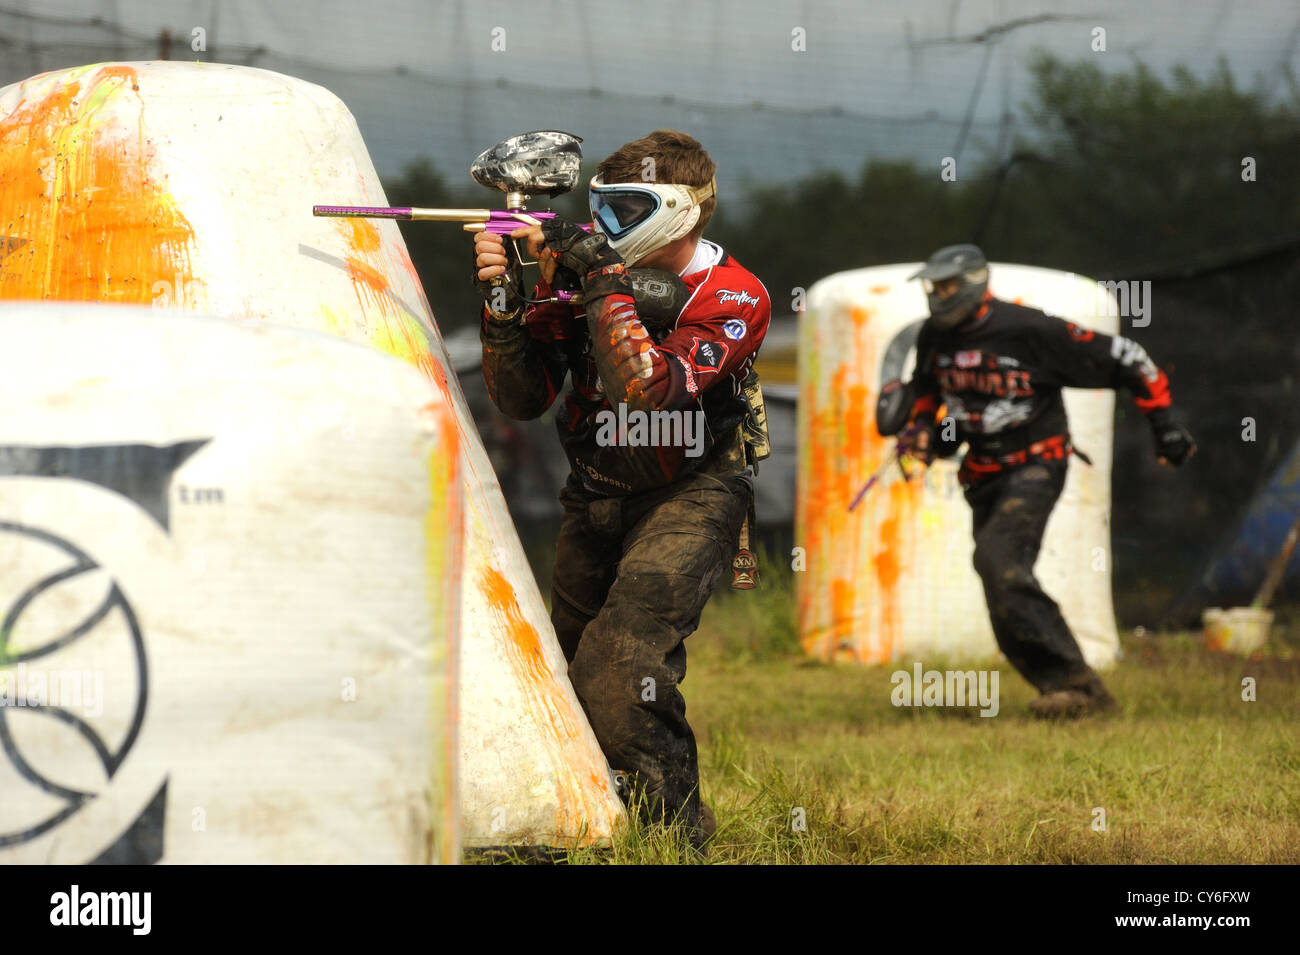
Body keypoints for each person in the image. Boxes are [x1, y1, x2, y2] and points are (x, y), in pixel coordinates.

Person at [472, 130, 771, 846]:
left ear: (679, 211)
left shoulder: (734, 294)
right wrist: (504, 302)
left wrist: (601, 282)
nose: (603, 227)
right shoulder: (576, 274)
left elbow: (649, 390)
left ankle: (676, 840)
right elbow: (522, 398)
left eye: (625, 210)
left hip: (693, 491)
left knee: (622, 665)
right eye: (600, 209)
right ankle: (600, 827)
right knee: (569, 673)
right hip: (595, 490)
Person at [891, 244, 1196, 718]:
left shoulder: (1029, 330)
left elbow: (1130, 357)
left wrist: (1165, 426)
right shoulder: (935, 336)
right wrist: (923, 434)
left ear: (971, 283)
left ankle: (1082, 689)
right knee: (997, 576)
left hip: (1036, 464)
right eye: (931, 286)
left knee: (1000, 563)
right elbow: (930, 393)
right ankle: (1063, 690)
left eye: (945, 285)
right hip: (984, 473)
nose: (936, 294)